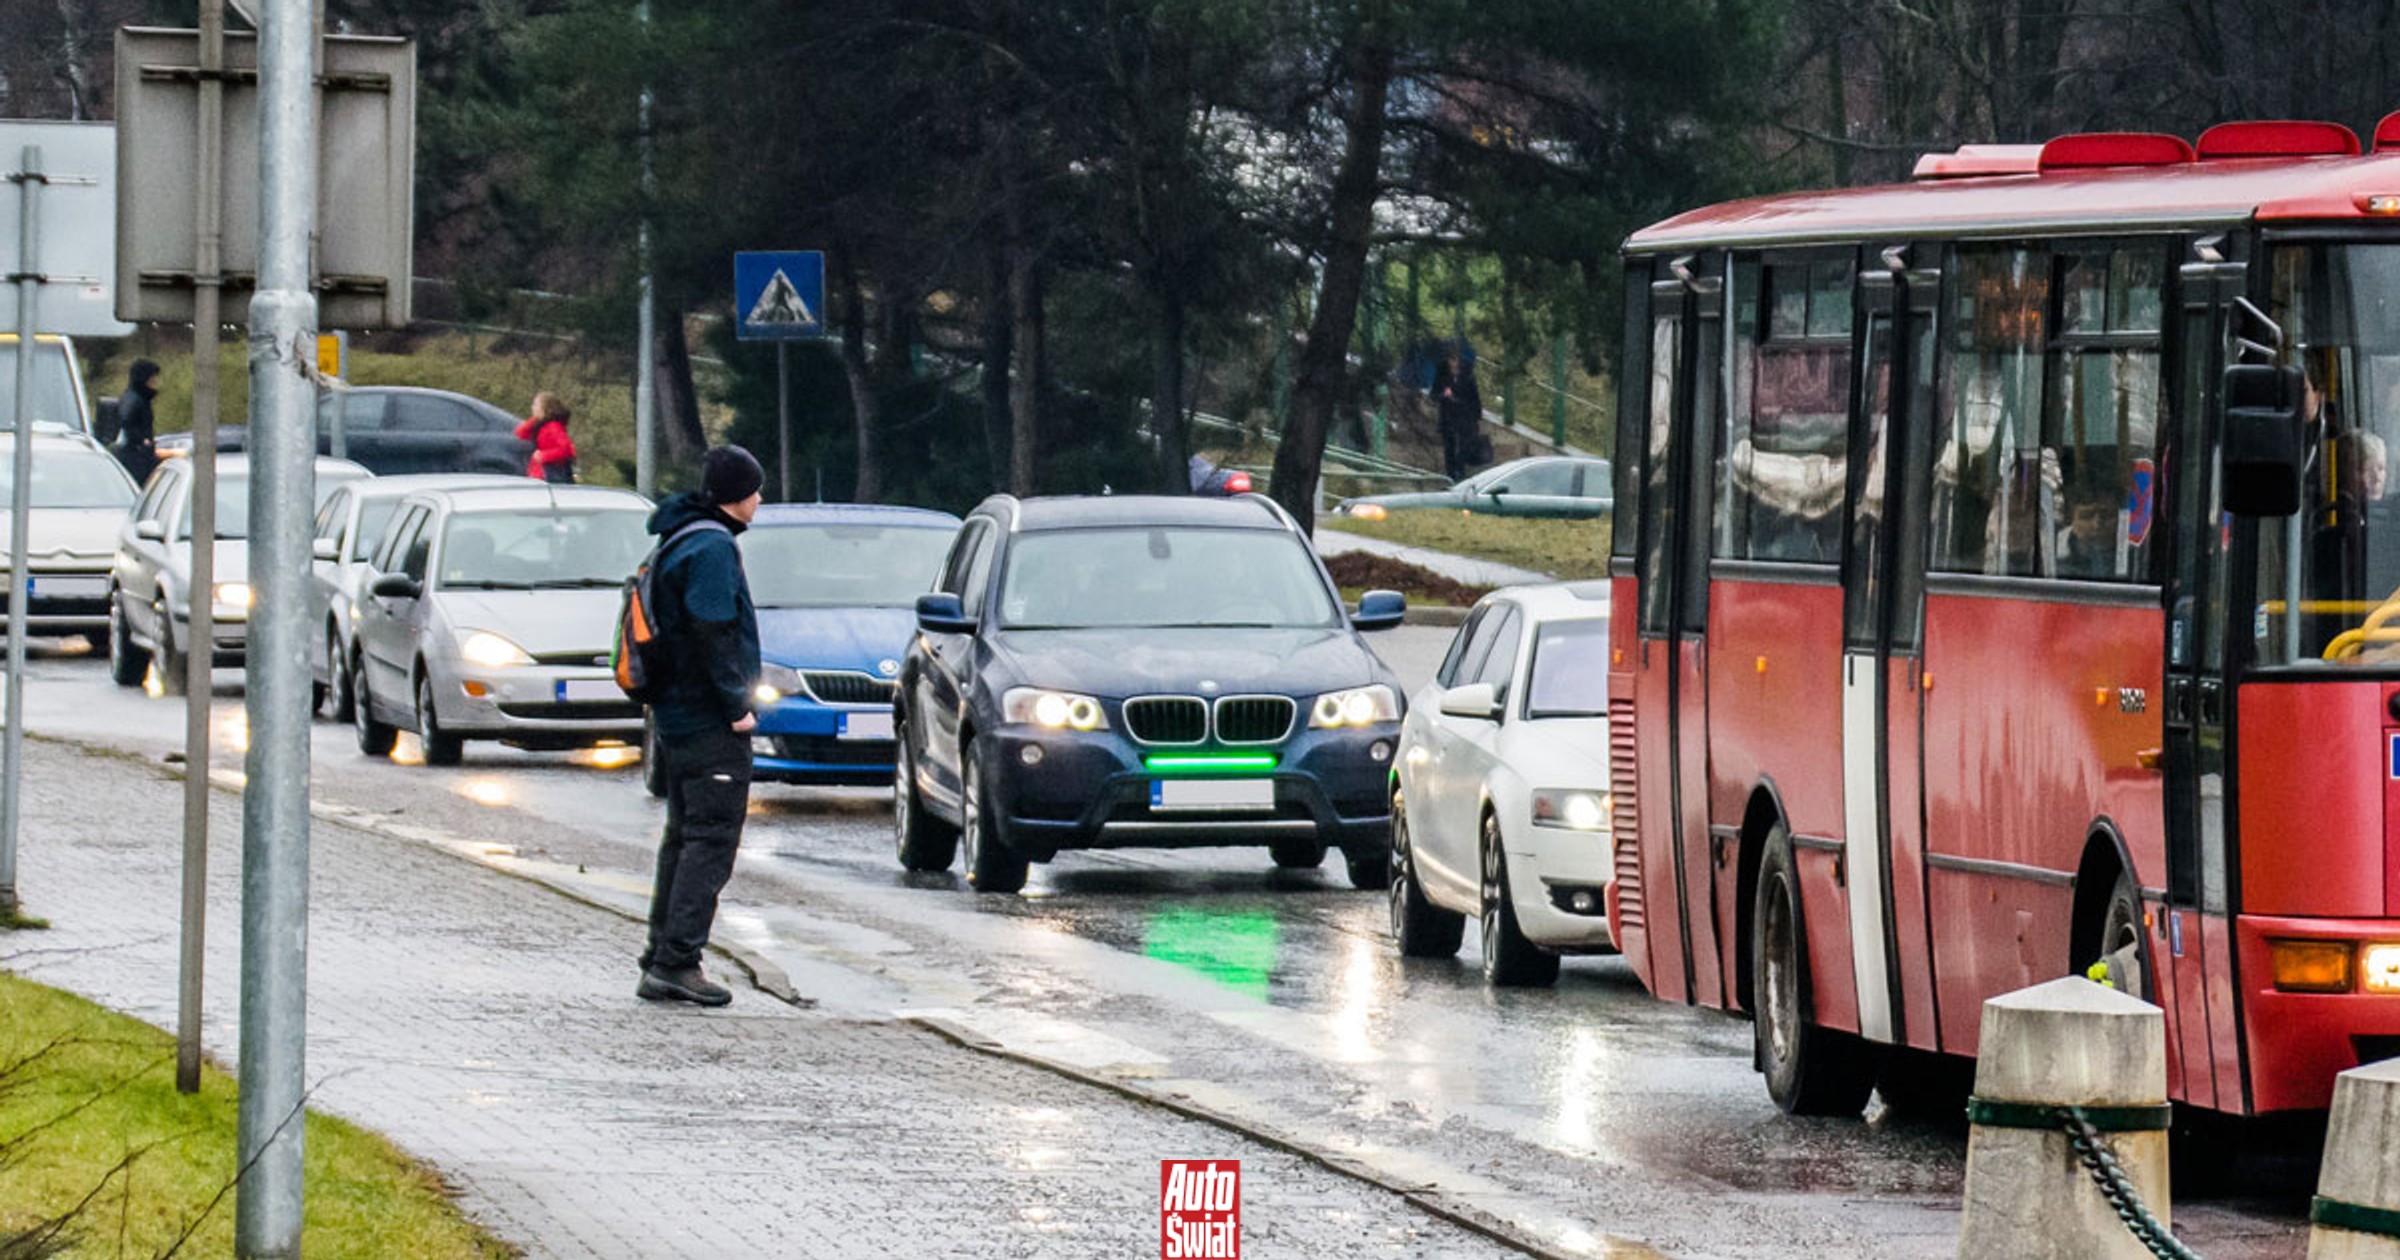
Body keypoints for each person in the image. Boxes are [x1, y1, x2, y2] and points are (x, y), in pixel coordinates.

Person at [636, 444, 765, 1007]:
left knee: (683, 838)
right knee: (710, 841)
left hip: (675, 715)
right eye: (756, 490)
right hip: (705, 717)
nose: (760, 500)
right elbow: (712, 630)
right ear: (738, 497)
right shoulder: (711, 548)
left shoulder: (682, 536)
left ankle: (660, 954)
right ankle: (677, 960)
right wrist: (736, 704)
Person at [2056, 471, 2123, 580]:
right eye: (2086, 516)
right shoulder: (2050, 556)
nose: (2096, 525)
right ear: (2071, 519)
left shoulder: (2136, 560)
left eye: (2107, 516)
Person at [1434, 352, 1484, 480]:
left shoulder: (1468, 377)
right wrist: (1443, 395)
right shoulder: (1442, 376)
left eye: (1455, 360)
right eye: (1451, 360)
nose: (1453, 363)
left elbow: (1474, 399)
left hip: (1464, 417)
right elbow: (1434, 395)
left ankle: (1460, 471)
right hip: (1448, 417)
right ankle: (1451, 474)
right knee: (1449, 447)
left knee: (1463, 446)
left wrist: (1477, 418)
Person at [114, 359, 161, 484]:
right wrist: (142, 441)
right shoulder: (135, 399)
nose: (154, 382)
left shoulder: (137, 398)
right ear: (144, 378)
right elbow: (125, 421)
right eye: (152, 378)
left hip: (138, 455)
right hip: (136, 458)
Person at [516, 391, 577, 483]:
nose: (532, 407)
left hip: (552, 471)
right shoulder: (541, 425)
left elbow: (565, 449)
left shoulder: (554, 426)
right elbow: (521, 433)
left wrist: (544, 455)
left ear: (544, 409)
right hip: (540, 469)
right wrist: (535, 418)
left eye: (535, 405)